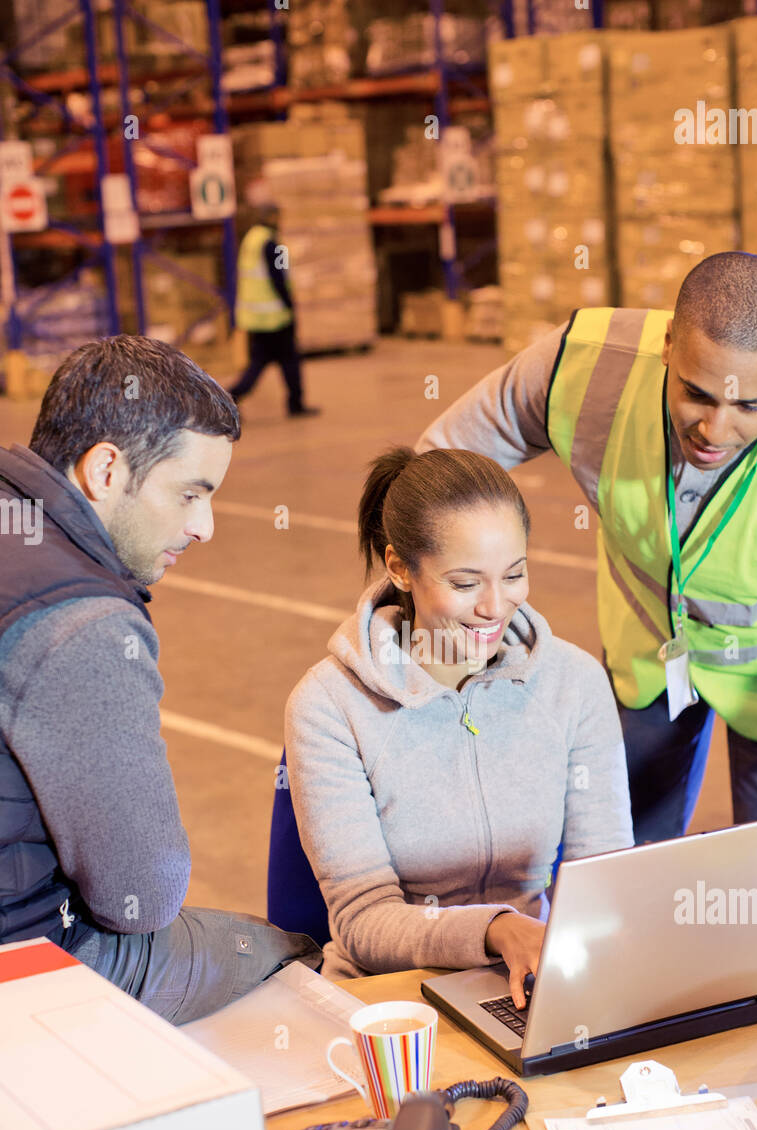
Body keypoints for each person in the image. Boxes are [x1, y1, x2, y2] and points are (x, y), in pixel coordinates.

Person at [414, 252, 757, 844]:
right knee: (623, 862)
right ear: (669, 343)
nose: (715, 430)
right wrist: (441, 620)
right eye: (697, 393)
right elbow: (436, 470)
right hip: (648, 653)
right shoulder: (583, 364)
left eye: (750, 406)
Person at [0, 335, 321, 1021]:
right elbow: (140, 892)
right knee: (278, 952)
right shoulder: (80, 623)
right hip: (24, 964)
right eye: (188, 494)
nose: (203, 527)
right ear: (106, 470)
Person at [283, 446, 634, 1007]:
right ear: (400, 568)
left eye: (514, 574)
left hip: (530, 979)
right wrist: (495, 929)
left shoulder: (575, 683)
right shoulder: (328, 705)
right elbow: (363, 920)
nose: (497, 607)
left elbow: (606, 875)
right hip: (389, 998)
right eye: (466, 583)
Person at [228, 203, 319, 419]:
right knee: (289, 361)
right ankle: (295, 403)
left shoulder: (251, 239)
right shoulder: (272, 243)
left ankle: (229, 398)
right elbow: (280, 277)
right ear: (272, 217)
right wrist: (289, 304)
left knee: (259, 364)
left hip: (257, 317)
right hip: (275, 317)